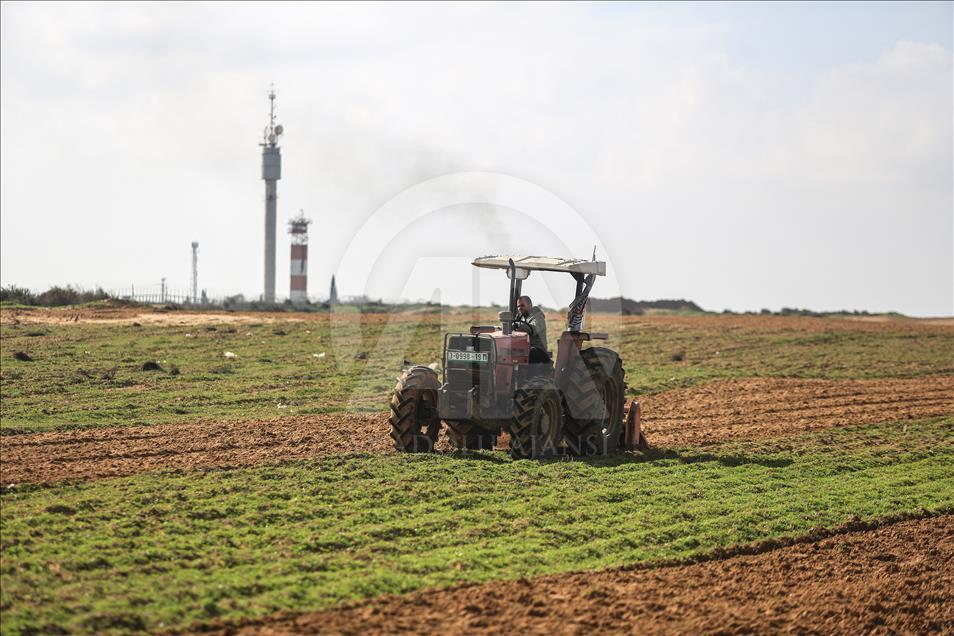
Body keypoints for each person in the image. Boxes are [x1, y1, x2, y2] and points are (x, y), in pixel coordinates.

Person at [514, 295, 550, 363]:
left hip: (538, 350)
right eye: (518, 306)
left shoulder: (538, 316)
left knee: (529, 353)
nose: (519, 308)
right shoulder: (521, 317)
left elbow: (533, 328)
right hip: (525, 347)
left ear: (530, 305)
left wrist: (517, 326)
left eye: (522, 305)